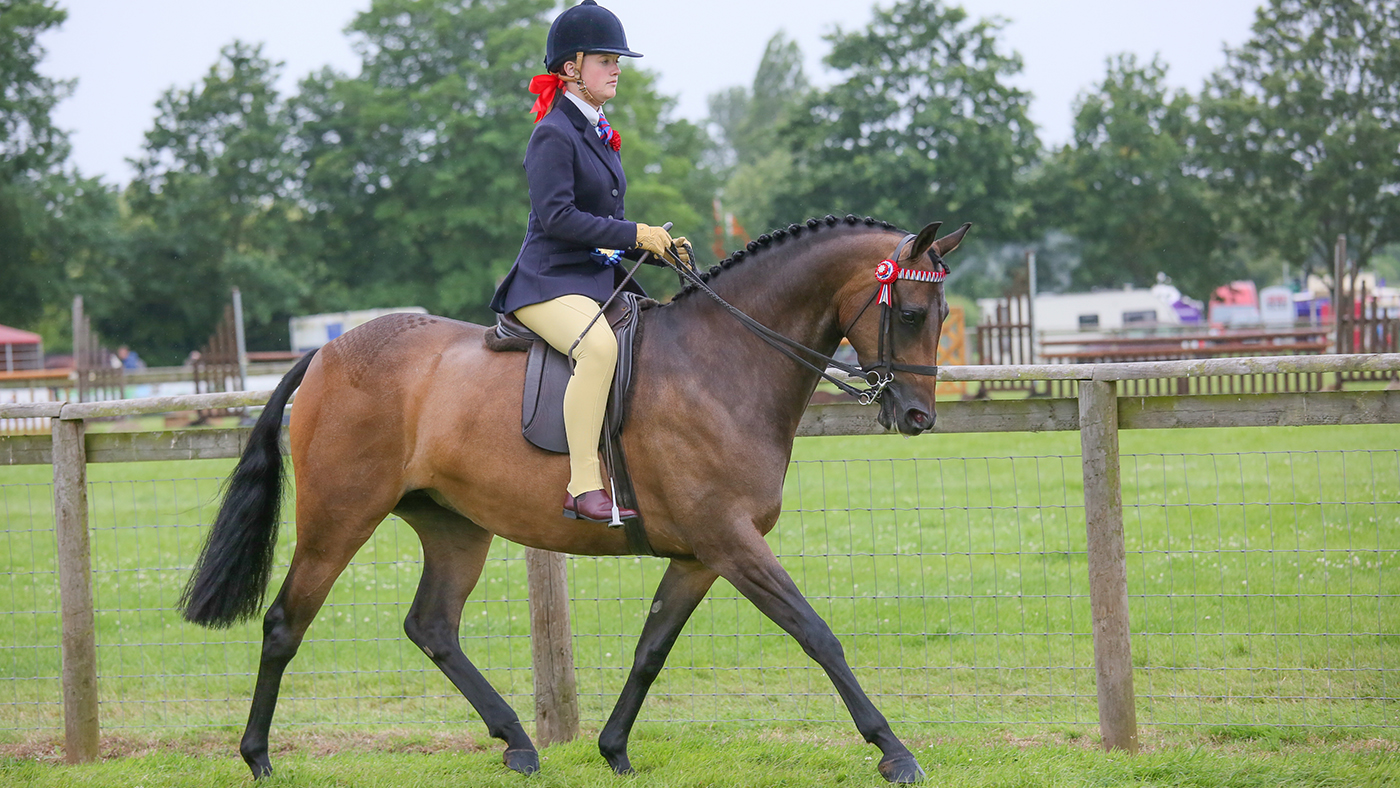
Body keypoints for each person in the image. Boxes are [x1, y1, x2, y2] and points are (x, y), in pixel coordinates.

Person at [490, 0, 691, 524]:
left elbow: (600, 236)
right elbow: (559, 220)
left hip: (589, 278)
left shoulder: (599, 132)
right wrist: (634, 232)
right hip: (546, 282)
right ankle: (582, 484)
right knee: (598, 349)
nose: (617, 68)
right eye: (605, 59)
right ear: (570, 68)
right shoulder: (553, 133)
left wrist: (656, 249)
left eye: (617, 59)